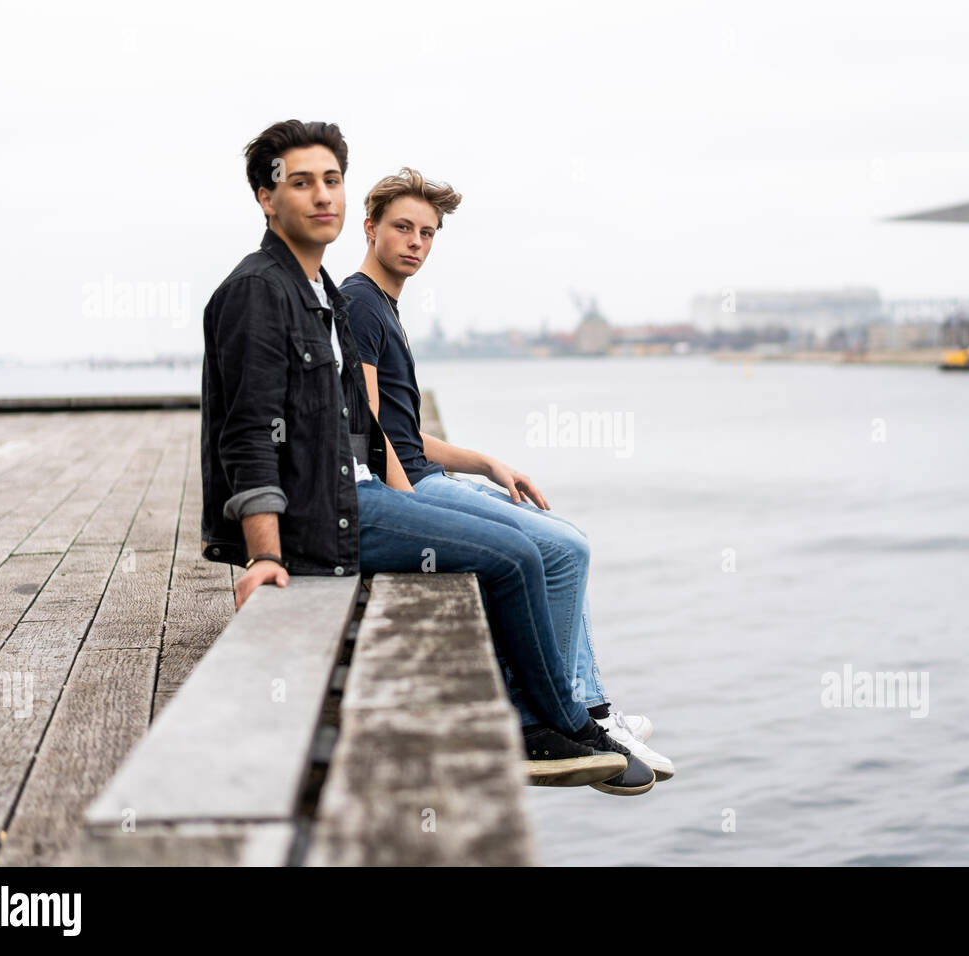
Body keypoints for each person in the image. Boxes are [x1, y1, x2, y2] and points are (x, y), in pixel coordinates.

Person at [199, 120, 653, 795]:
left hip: (356, 498)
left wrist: (435, 496)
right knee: (521, 555)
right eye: (301, 182)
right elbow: (248, 436)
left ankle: (568, 723)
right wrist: (265, 554)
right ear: (267, 199)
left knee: (528, 546)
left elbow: (363, 428)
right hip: (319, 518)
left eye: (332, 181)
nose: (323, 196)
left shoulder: (320, 294)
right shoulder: (258, 292)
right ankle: (550, 729)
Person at [339, 168, 673, 780]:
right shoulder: (359, 301)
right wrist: (410, 503)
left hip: (424, 475)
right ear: (370, 228)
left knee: (560, 538)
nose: (416, 242)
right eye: (403, 228)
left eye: (428, 233)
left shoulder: (384, 304)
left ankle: (587, 706)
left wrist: (487, 462)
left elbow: (408, 431)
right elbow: (368, 423)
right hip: (411, 489)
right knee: (564, 548)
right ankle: (558, 711)